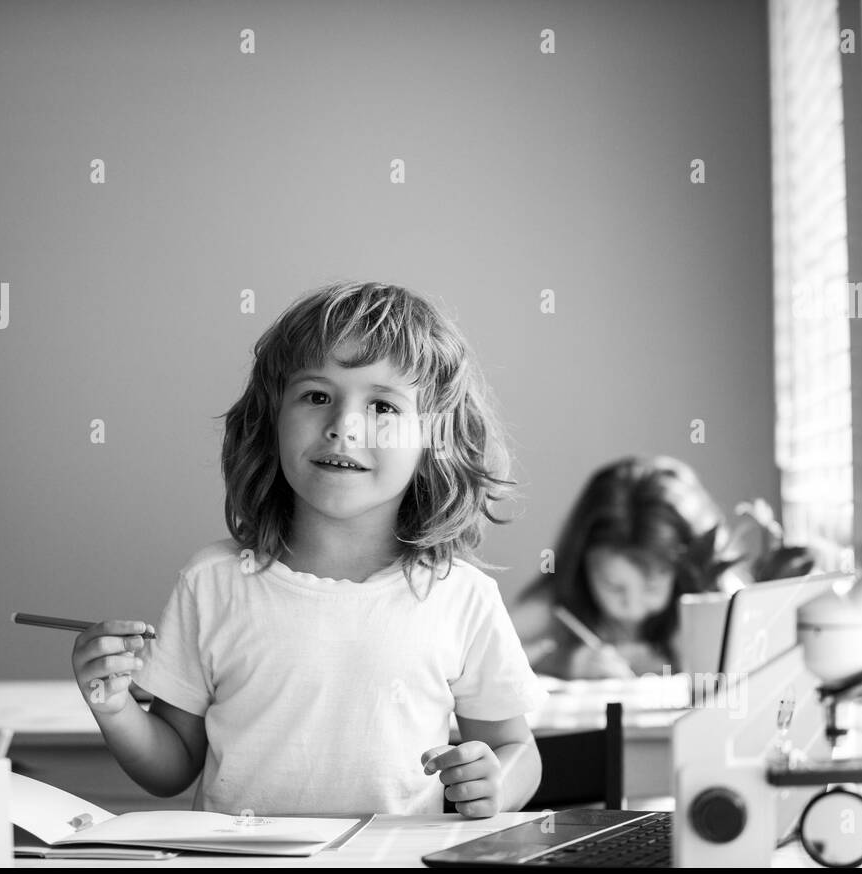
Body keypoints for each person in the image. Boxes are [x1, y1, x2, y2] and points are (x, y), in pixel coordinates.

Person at [71, 280, 548, 818]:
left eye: (383, 407)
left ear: (432, 440)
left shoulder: (461, 596)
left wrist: (496, 784)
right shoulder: (212, 581)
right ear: (271, 420)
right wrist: (114, 710)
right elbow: (173, 765)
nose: (343, 426)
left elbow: (517, 749)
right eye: (316, 396)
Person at [514, 456, 738, 679]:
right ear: (582, 565)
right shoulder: (558, 601)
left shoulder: (714, 599)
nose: (633, 608)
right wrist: (567, 663)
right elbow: (495, 651)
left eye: (652, 587)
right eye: (614, 588)